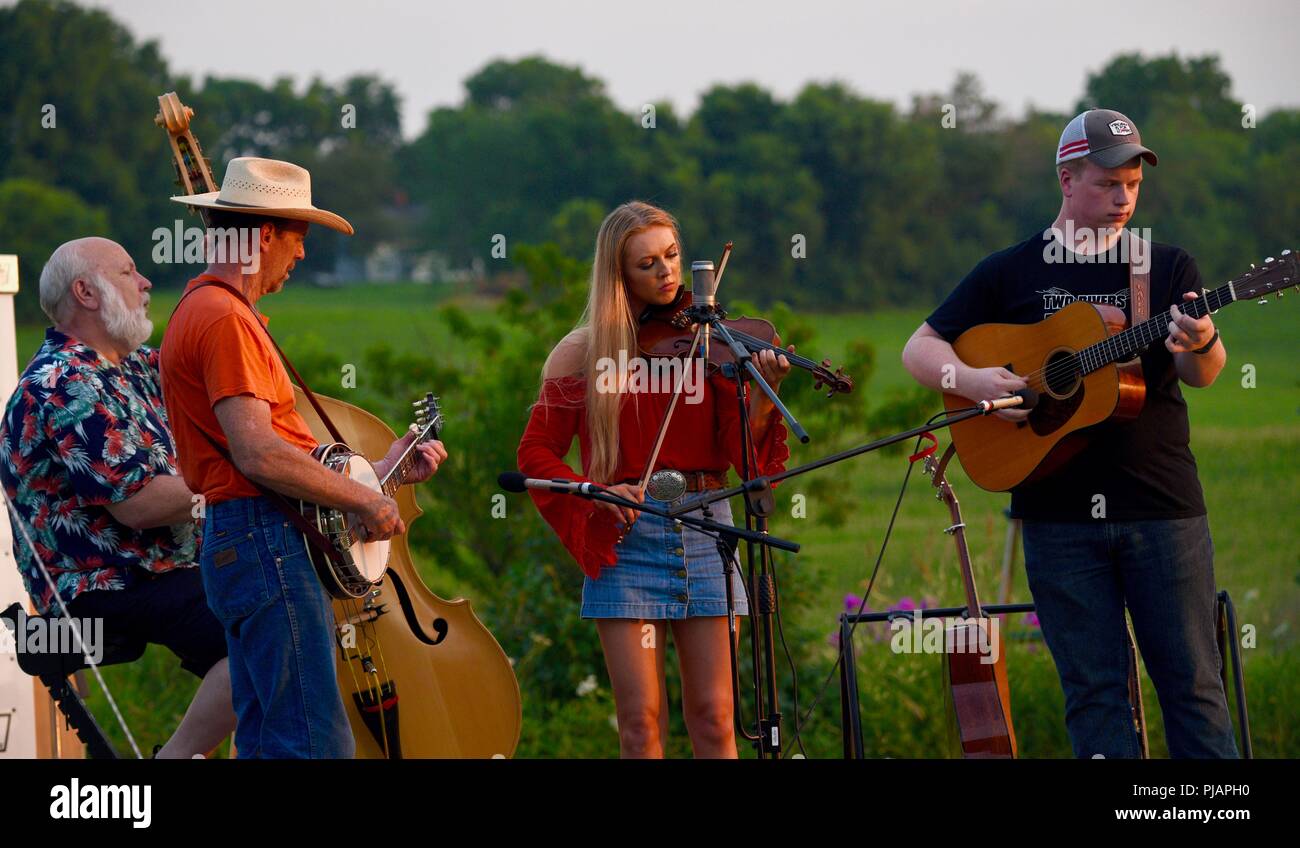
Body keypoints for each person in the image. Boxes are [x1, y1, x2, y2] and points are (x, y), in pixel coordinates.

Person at [901, 109, 1237, 758]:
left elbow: (1203, 374)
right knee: (1092, 694)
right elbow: (921, 346)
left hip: (1160, 509)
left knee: (1193, 688)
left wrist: (1205, 336)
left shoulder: (1164, 269)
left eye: (1133, 184)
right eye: (1108, 182)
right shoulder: (1010, 271)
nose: (1123, 198)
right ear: (1066, 178)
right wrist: (971, 382)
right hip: (1056, 520)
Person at [159, 157, 447, 758]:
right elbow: (259, 454)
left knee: (269, 737)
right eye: (299, 238)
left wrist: (385, 468)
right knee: (311, 743)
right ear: (264, 235)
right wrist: (366, 498)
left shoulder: (207, 310)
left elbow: (271, 453)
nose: (302, 255)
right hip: (266, 543)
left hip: (245, 541)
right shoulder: (224, 320)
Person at [517, 201, 792, 758]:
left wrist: (764, 400)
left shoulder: (712, 343)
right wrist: (595, 492)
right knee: (640, 724)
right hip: (628, 535)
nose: (667, 272)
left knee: (716, 718)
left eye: (672, 256)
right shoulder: (583, 352)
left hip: (709, 527)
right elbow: (536, 452)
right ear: (618, 274)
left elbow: (746, 463)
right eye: (647, 264)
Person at [1, 237, 235, 758]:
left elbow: (239, 422)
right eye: (129, 272)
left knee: (275, 608)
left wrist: (349, 467)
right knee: (263, 622)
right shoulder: (61, 381)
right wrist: (243, 483)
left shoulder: (132, 368)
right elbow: (142, 503)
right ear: (86, 291)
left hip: (157, 569)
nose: (147, 282)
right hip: (100, 586)